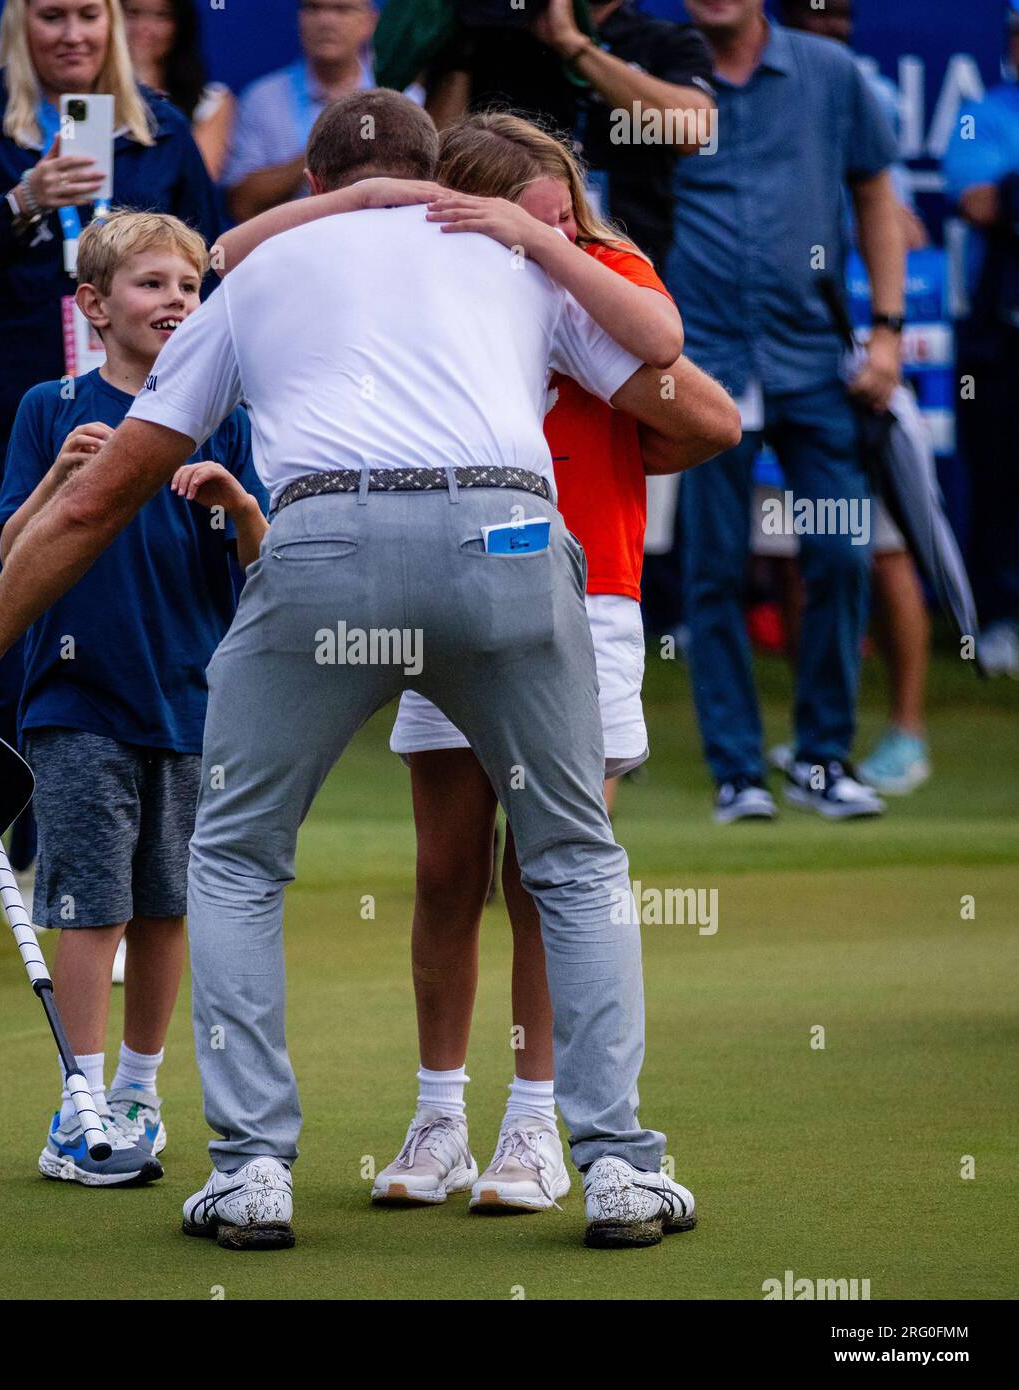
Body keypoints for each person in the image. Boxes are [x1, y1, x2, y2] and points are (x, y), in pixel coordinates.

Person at [0, 88, 741, 1253]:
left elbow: (102, 496)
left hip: (321, 549)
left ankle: (253, 1173)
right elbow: (675, 375)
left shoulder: (251, 276)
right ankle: (614, 1167)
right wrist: (537, 241)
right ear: (435, 170)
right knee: (574, 858)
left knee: (237, 856)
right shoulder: (510, 253)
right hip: (504, 544)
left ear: (310, 186)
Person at [214, 110, 711, 1214]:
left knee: (552, 868)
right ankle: (440, 1116)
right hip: (440, 585)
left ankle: (541, 1130)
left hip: (570, 588)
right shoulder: (415, 269)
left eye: (563, 207)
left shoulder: (559, 263)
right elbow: (227, 259)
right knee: (447, 870)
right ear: (449, 196)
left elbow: (696, 398)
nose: (557, 224)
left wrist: (548, 250)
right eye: (531, 210)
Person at [0, 209, 265, 1186]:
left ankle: (141, 1094)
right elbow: (9, 553)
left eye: (189, 288)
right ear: (93, 305)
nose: (175, 303)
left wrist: (237, 503)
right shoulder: (49, 406)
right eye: (152, 285)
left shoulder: (222, 410)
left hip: (191, 702)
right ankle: (80, 1104)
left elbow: (261, 568)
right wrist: (53, 484)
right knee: (88, 905)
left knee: (165, 906)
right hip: (76, 700)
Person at [0, 0, 222, 823]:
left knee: (140, 613)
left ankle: (124, 815)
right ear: (22, 26)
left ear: (114, 24)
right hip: (18, 405)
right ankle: (15, 831)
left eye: (89, 15)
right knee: (8, 611)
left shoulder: (156, 126)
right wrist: (23, 199)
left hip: (152, 410)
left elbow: (217, 259)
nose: (72, 34)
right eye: (51, 16)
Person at [669, 0, 905, 822]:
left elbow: (876, 192)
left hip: (813, 361)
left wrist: (886, 328)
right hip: (701, 367)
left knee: (842, 552)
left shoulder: (829, 72)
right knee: (714, 570)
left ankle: (822, 760)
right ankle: (737, 772)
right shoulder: (657, 72)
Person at [768, 0, 931, 794]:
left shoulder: (856, 90)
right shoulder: (755, 90)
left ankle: (905, 731)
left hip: (859, 361)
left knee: (879, 547)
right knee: (793, 558)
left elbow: (901, 223)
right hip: (784, 358)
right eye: (806, 10)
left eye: (835, 12)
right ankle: (813, 744)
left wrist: (884, 333)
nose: (822, 23)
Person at [424, 0, 715, 271]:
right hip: (510, 270)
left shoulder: (664, 40)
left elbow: (691, 131)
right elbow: (438, 160)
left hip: (624, 268)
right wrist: (463, 43)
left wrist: (573, 44)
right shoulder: (494, 38)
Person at [942, 1, 1019, 678]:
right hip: (1004, 334)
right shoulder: (984, 113)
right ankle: (998, 621)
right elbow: (980, 202)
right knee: (1001, 479)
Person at [223, 0, 418, 222]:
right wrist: (326, 149)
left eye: (342, 9)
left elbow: (425, 189)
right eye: (314, 8)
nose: (326, 21)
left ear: (370, 22)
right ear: (300, 18)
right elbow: (241, 204)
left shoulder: (403, 97)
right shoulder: (263, 99)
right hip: (291, 244)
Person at [121, 0, 235, 180]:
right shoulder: (89, 95)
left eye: (161, 15)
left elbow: (198, 178)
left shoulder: (213, 100)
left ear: (181, 25)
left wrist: (143, 80)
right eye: (133, 13)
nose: (144, 28)